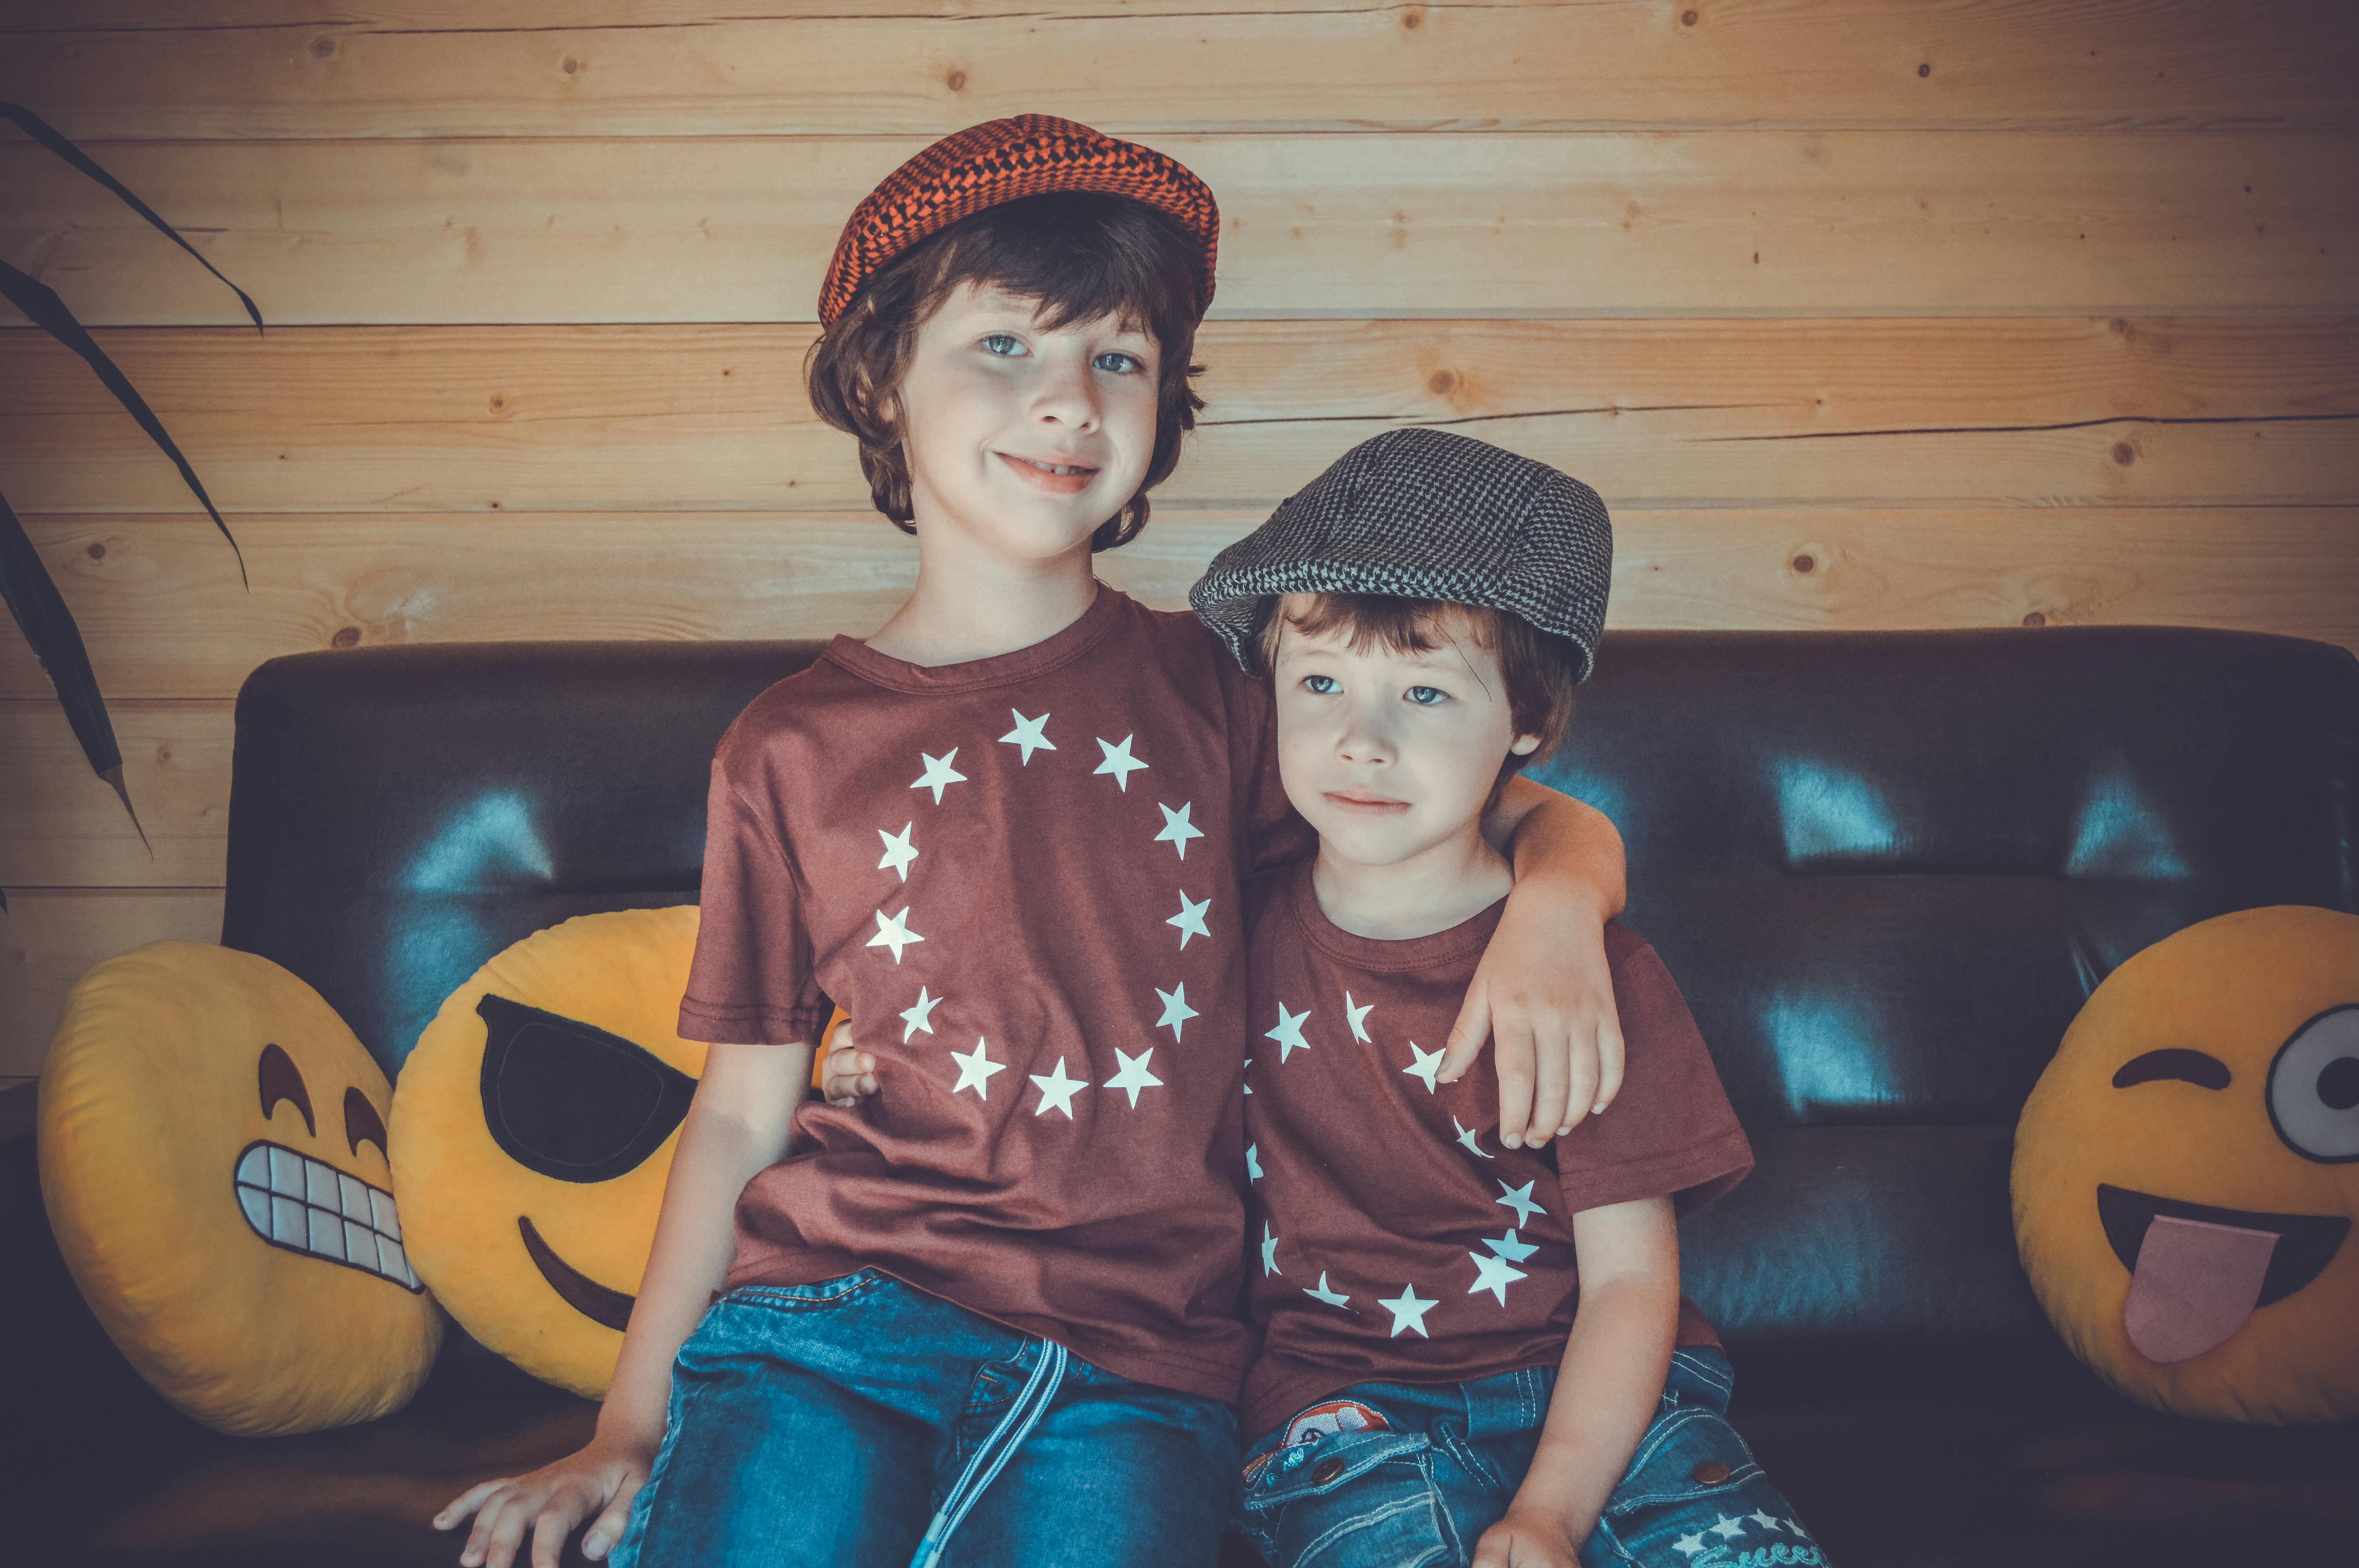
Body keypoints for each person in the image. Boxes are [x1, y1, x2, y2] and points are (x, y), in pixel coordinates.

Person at [432, 118, 1634, 1568]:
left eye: (1116, 360)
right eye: (1005, 345)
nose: (1066, 402)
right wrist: (628, 1427)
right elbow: (742, 1117)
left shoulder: (1229, 693)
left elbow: (1515, 808)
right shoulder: (785, 750)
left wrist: (1563, 906)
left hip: (1146, 1362)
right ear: (883, 378)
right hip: (830, 1323)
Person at [1192, 429, 1824, 1568]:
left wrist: (1550, 1516)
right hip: (1343, 1416)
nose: (1362, 741)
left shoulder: (1597, 975)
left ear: (1527, 725)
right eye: (1321, 682)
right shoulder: (1224, 921)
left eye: (1427, 693)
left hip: (1605, 1402)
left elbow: (1633, 1285)